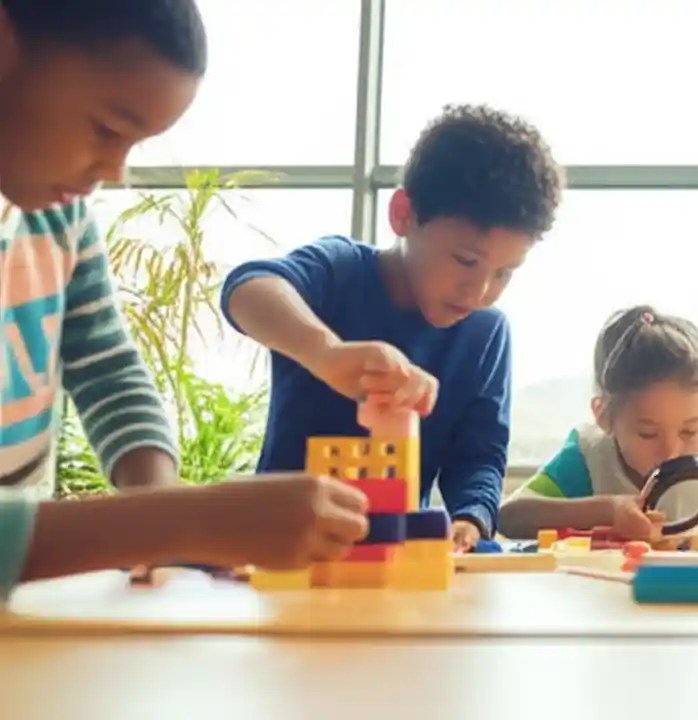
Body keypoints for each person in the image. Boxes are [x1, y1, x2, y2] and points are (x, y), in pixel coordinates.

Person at [0, 0, 370, 602]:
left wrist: (160, 511)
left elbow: (107, 367)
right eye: (106, 129)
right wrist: (182, 521)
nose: (115, 171)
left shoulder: (58, 215)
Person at [221, 104, 564, 551]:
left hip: (394, 554)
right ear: (403, 213)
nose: (479, 290)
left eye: (504, 273)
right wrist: (325, 352)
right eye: (466, 260)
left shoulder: (485, 335)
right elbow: (247, 288)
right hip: (283, 547)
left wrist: (471, 518)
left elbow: (478, 455)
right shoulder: (341, 271)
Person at [499, 305, 698, 541]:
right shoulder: (589, 457)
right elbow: (509, 517)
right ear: (604, 415)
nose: (672, 451)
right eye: (647, 433)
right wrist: (609, 511)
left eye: (689, 430)